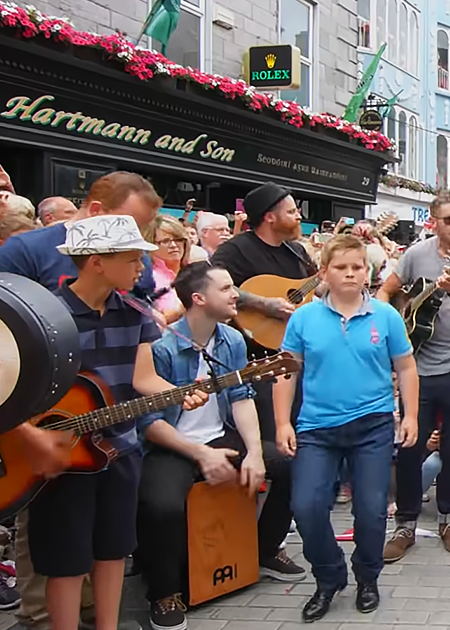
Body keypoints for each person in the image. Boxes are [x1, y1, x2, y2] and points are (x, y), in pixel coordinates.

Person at [29, 216, 208, 630]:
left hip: (119, 449)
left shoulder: (134, 312)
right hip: (63, 456)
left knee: (113, 550)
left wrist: (179, 392)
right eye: (131, 259)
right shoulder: (47, 314)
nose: (141, 268)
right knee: (66, 560)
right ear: (96, 262)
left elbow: (143, 378)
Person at [137, 262, 306, 630]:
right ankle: (164, 593)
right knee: (162, 505)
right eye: (227, 288)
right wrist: (200, 454)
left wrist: (255, 454)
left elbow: (241, 398)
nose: (236, 295)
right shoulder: (162, 348)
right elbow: (149, 425)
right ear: (199, 298)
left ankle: (264, 550)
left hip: (219, 435)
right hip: (173, 443)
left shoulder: (231, 339)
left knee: (289, 465)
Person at [274, 234, 420, 622]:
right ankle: (329, 576)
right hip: (317, 428)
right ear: (324, 272)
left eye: (358, 267)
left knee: (371, 510)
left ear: (367, 272)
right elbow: (286, 371)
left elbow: (406, 367)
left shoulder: (385, 316)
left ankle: (367, 577)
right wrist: (282, 422)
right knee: (306, 506)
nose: (350, 273)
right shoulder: (303, 318)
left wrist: (410, 415)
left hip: (372, 426)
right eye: (341, 267)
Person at [375, 192, 450, 560]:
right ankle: (406, 524)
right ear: (434, 223)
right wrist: (390, 320)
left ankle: (448, 519)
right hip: (418, 364)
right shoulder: (416, 254)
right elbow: (387, 289)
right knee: (410, 448)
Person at [210, 182, 314, 441]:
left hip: (298, 355)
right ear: (270, 217)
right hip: (257, 361)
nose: (299, 216)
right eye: (291, 211)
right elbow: (212, 283)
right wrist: (264, 304)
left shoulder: (296, 251)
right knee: (272, 438)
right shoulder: (235, 250)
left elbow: (315, 285)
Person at [0, 171, 159, 299]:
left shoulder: (138, 257)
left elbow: (144, 305)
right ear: (95, 210)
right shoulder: (24, 249)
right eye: (128, 223)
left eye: (141, 228)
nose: (134, 234)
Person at [145, 215, 193, 324]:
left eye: (178, 239)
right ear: (151, 244)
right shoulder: (148, 278)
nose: (173, 245)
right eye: (165, 241)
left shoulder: (196, 273)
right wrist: (182, 310)